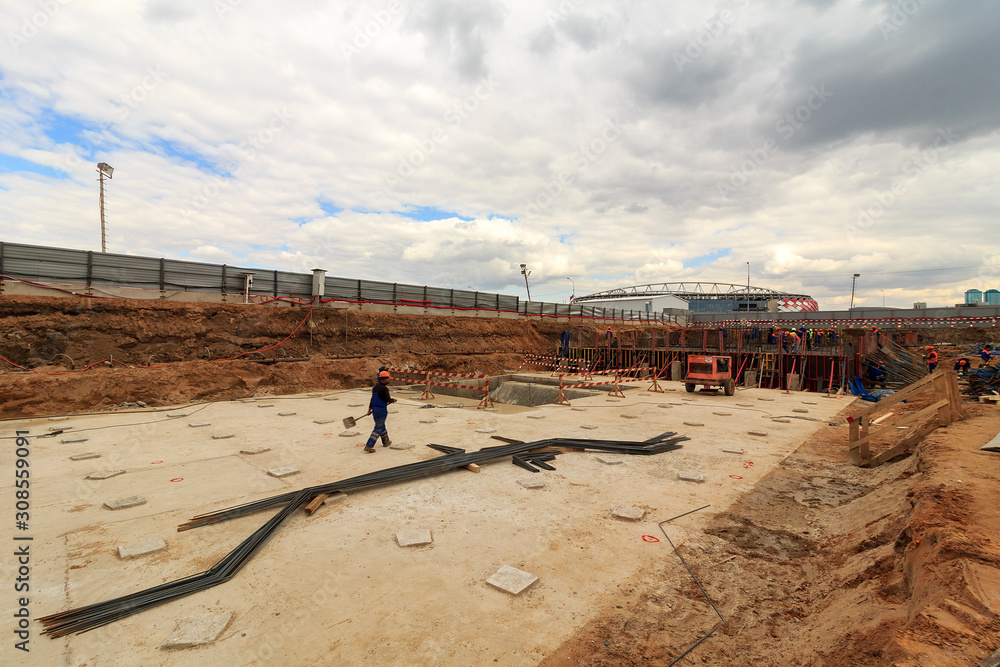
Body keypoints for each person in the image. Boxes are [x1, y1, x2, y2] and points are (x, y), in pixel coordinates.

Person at [363, 370, 396, 452]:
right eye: (388, 379)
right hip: (381, 411)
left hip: (375, 410)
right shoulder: (384, 389)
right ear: (384, 379)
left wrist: (369, 410)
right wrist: (393, 400)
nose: (388, 380)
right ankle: (369, 445)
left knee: (381, 425)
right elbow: (387, 399)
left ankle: (386, 441)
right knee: (378, 427)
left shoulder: (375, 388)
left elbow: (372, 399)